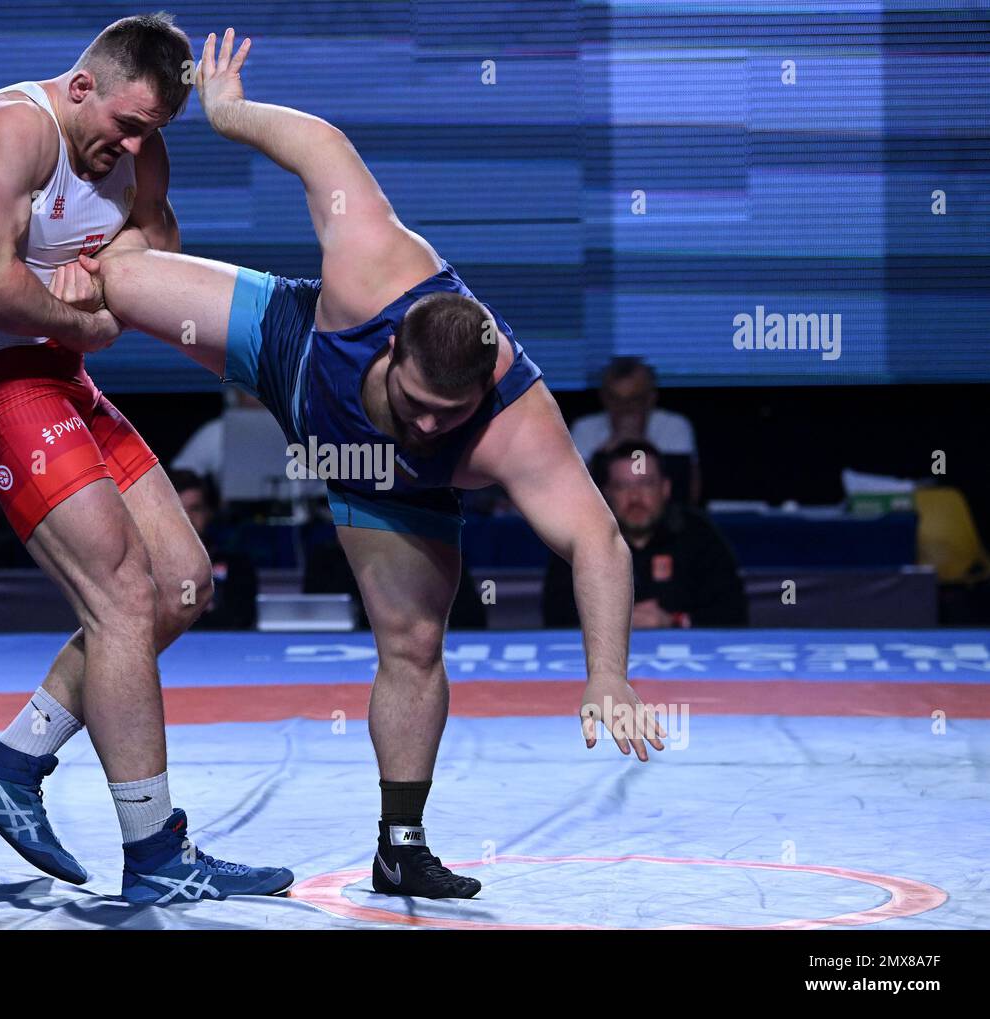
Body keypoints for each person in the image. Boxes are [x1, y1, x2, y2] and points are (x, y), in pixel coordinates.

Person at [51, 29, 665, 900]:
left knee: (414, 645)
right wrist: (229, 113)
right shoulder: (371, 260)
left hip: (390, 487)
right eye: (413, 402)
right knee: (119, 275)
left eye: (445, 416)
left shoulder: (514, 423)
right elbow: (321, 147)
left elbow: (598, 540)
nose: (424, 420)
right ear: (396, 341)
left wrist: (607, 672)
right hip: (293, 350)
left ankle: (400, 844)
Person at [0, 14, 290, 904]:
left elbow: (155, 248)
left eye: (150, 132)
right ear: (81, 85)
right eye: (124, 125)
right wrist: (86, 315)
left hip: (60, 379)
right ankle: (157, 850)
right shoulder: (13, 129)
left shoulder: (138, 150)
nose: (129, 147)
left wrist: (115, 266)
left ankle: (12, 761)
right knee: (122, 594)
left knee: (184, 580)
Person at [543, 442, 747, 629]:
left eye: (646, 484)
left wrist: (673, 621)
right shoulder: (584, 539)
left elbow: (733, 613)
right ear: (606, 493)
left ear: (665, 489)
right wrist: (613, 623)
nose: (635, 497)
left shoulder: (698, 534)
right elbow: (556, 616)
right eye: (623, 486)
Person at [569, 357, 701, 505]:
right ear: (604, 398)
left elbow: (689, 495)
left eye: (634, 400)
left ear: (651, 398)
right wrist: (609, 448)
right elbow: (572, 495)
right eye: (616, 400)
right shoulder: (585, 429)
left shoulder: (674, 427)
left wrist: (639, 443)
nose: (625, 409)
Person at [170, 469, 259, 629]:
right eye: (178, 510)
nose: (187, 518)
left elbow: (239, 621)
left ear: (209, 512)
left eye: (195, 509)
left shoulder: (238, 566)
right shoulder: (147, 569)